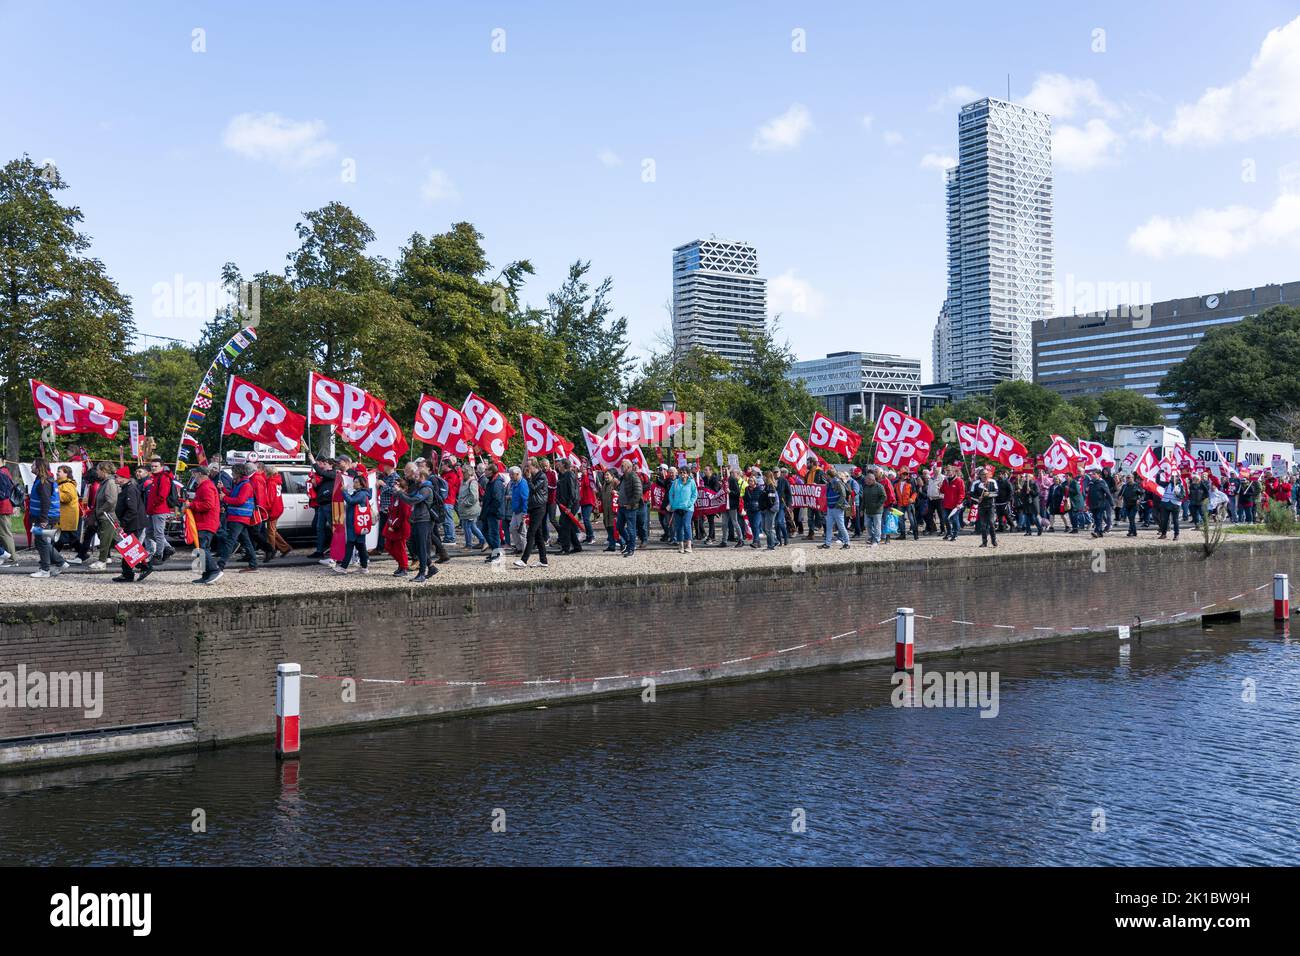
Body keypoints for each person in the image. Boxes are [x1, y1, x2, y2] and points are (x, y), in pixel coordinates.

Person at [394, 463, 439, 582]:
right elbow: (408, 496)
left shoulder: (426, 489)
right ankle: (431, 567)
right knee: (416, 547)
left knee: (422, 547)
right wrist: (400, 491)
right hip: (417, 520)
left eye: (417, 475)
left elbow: (412, 500)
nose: (415, 476)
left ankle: (422, 574)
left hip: (424, 521)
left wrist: (399, 493)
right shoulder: (419, 487)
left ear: (423, 477)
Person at [27, 459, 67, 578]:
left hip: (45, 517)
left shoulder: (44, 482)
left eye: (33, 465)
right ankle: (60, 562)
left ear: (39, 467)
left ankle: (45, 570)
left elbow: (46, 501)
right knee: (41, 541)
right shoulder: (44, 480)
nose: (31, 467)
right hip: (45, 516)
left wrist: (43, 520)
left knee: (42, 542)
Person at [216, 463, 259, 573]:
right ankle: (253, 564)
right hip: (239, 517)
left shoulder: (245, 485)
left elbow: (239, 501)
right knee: (246, 541)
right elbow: (233, 495)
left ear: (238, 473)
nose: (232, 474)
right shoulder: (241, 484)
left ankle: (220, 565)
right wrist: (223, 489)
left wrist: (224, 498)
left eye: (233, 472)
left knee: (230, 541)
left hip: (239, 517)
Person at [112, 464, 150, 582]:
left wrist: (122, 524)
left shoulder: (130, 489)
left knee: (129, 548)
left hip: (134, 523)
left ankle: (134, 571)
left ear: (123, 478)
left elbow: (132, 510)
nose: (115, 479)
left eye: (117, 477)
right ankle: (134, 570)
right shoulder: (128, 488)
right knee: (129, 548)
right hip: (132, 522)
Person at [187, 465, 222, 584]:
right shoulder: (205, 486)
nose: (193, 476)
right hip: (205, 522)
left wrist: (191, 505)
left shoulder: (206, 487)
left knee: (201, 548)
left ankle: (214, 570)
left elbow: (208, 505)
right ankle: (206, 574)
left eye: (194, 474)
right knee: (200, 548)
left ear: (200, 474)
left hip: (206, 522)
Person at [143, 455, 177, 565]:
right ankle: (167, 548)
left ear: (162, 466)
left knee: (158, 534)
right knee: (150, 533)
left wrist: (152, 505)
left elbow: (162, 496)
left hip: (159, 510)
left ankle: (158, 555)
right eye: (152, 466)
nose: (153, 468)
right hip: (154, 510)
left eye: (156, 466)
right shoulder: (156, 477)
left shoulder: (163, 478)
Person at [516, 459, 551, 567]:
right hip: (534, 507)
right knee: (538, 535)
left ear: (534, 466)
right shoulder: (534, 476)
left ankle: (524, 560)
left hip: (539, 507)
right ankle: (543, 560)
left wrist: (529, 478)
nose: (526, 468)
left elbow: (534, 489)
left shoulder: (541, 476)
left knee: (531, 533)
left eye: (528, 466)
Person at [336, 472, 372, 573]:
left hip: (355, 524)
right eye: (354, 481)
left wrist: (344, 492)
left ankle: (343, 567)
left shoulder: (361, 494)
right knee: (360, 545)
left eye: (356, 482)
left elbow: (351, 501)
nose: (354, 484)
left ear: (361, 484)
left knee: (350, 544)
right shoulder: (362, 493)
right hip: (358, 524)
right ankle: (364, 567)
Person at [263, 465, 294, 558]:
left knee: (270, 531)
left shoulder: (271, 483)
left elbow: (270, 499)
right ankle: (285, 548)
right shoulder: (277, 482)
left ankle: (271, 550)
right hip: (277, 508)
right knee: (272, 530)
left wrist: (265, 509)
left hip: (273, 509)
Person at [556, 458, 583, 554]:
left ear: (563, 465)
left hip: (571, 504)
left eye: (559, 463)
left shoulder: (570, 474)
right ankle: (577, 546)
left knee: (564, 524)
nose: (557, 465)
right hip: (564, 504)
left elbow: (573, 492)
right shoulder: (561, 475)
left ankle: (565, 548)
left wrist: (569, 506)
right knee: (568, 525)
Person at [481, 461, 507, 562]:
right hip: (489, 511)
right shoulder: (491, 481)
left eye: (486, 470)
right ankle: (495, 551)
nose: (485, 472)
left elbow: (497, 499)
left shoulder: (497, 482)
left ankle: (497, 554)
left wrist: (491, 511)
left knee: (494, 533)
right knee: (485, 530)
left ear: (491, 472)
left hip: (493, 512)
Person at [616, 459, 642, 558]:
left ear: (628, 467)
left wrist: (630, 504)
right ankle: (628, 543)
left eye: (623, 466)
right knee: (619, 527)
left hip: (630, 507)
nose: (621, 467)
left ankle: (631, 549)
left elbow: (638, 492)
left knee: (631, 529)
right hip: (622, 506)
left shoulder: (633, 476)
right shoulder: (624, 477)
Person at [669, 465, 698, 553]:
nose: (682, 475)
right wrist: (673, 504)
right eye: (681, 473)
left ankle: (689, 544)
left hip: (688, 508)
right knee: (678, 527)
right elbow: (671, 494)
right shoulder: (676, 482)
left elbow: (694, 494)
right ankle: (680, 545)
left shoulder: (692, 482)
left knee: (686, 525)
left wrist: (689, 503)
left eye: (684, 473)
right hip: (677, 507)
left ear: (688, 474)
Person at [54, 465, 81, 559]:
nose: (57, 472)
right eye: (57, 470)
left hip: (68, 516)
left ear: (66, 474)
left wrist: (55, 493)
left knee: (60, 539)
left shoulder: (67, 485)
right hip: (65, 516)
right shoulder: (61, 484)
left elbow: (68, 498)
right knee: (72, 538)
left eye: (60, 471)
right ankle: (83, 554)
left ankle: (52, 556)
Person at [457, 463, 486, 550]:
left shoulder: (472, 482)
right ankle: (483, 541)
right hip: (466, 509)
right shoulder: (464, 481)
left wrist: (464, 502)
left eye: (463, 472)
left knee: (467, 527)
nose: (462, 473)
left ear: (468, 472)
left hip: (470, 509)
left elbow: (474, 497)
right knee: (472, 527)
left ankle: (469, 545)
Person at [821, 468, 850, 550]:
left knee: (841, 526)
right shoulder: (829, 483)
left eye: (826, 475)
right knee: (829, 526)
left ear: (829, 475)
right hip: (830, 507)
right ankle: (827, 543)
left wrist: (838, 504)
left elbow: (843, 494)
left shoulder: (837, 482)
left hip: (837, 508)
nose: (825, 476)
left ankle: (847, 543)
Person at [971, 467, 997, 547]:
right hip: (981, 506)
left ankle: (994, 541)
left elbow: (996, 493)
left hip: (990, 505)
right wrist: (977, 498)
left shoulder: (992, 482)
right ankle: (984, 542)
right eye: (983, 475)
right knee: (983, 525)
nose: (985, 476)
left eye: (986, 474)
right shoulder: (975, 483)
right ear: (980, 475)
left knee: (991, 523)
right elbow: (971, 494)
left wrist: (988, 494)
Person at [0, 455, 18, 566]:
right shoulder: (5, 471)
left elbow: (4, 492)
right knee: (4, 533)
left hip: (3, 506)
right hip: (5, 506)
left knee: (5, 534)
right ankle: (6, 555)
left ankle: (12, 558)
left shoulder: (2, 473)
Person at [1086, 469, 1115, 538]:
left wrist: (1112, 503)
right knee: (1095, 518)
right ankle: (1100, 533)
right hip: (1092, 504)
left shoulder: (1102, 482)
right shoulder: (1091, 482)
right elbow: (1088, 493)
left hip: (1100, 503)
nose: (1092, 475)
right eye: (1092, 474)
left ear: (1098, 475)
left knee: (1099, 518)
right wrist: (1087, 503)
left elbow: (1108, 493)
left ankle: (1097, 532)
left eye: (1094, 474)